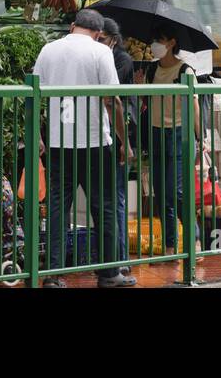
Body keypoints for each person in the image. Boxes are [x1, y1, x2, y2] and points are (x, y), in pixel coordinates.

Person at [33, 8, 133, 288]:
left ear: (73, 25)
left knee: (56, 210)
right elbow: (112, 100)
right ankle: (109, 273)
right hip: (94, 144)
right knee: (105, 208)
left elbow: (34, 94)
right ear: (99, 34)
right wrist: (124, 141)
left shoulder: (48, 49)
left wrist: (37, 137)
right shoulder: (100, 52)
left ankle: (53, 275)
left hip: (56, 142)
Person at [138, 23, 203, 252]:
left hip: (179, 135)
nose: (156, 45)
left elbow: (194, 107)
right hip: (156, 133)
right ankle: (169, 247)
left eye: (160, 40)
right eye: (154, 40)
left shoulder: (185, 71)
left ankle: (194, 239)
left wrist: (200, 137)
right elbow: (145, 102)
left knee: (176, 191)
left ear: (172, 43)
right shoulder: (150, 71)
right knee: (161, 193)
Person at [100, 17, 133, 276]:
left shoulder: (121, 60)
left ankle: (119, 258)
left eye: (102, 40)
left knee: (116, 199)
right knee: (109, 200)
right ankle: (109, 261)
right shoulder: (101, 56)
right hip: (101, 135)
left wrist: (125, 142)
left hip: (115, 135)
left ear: (112, 39)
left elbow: (113, 99)